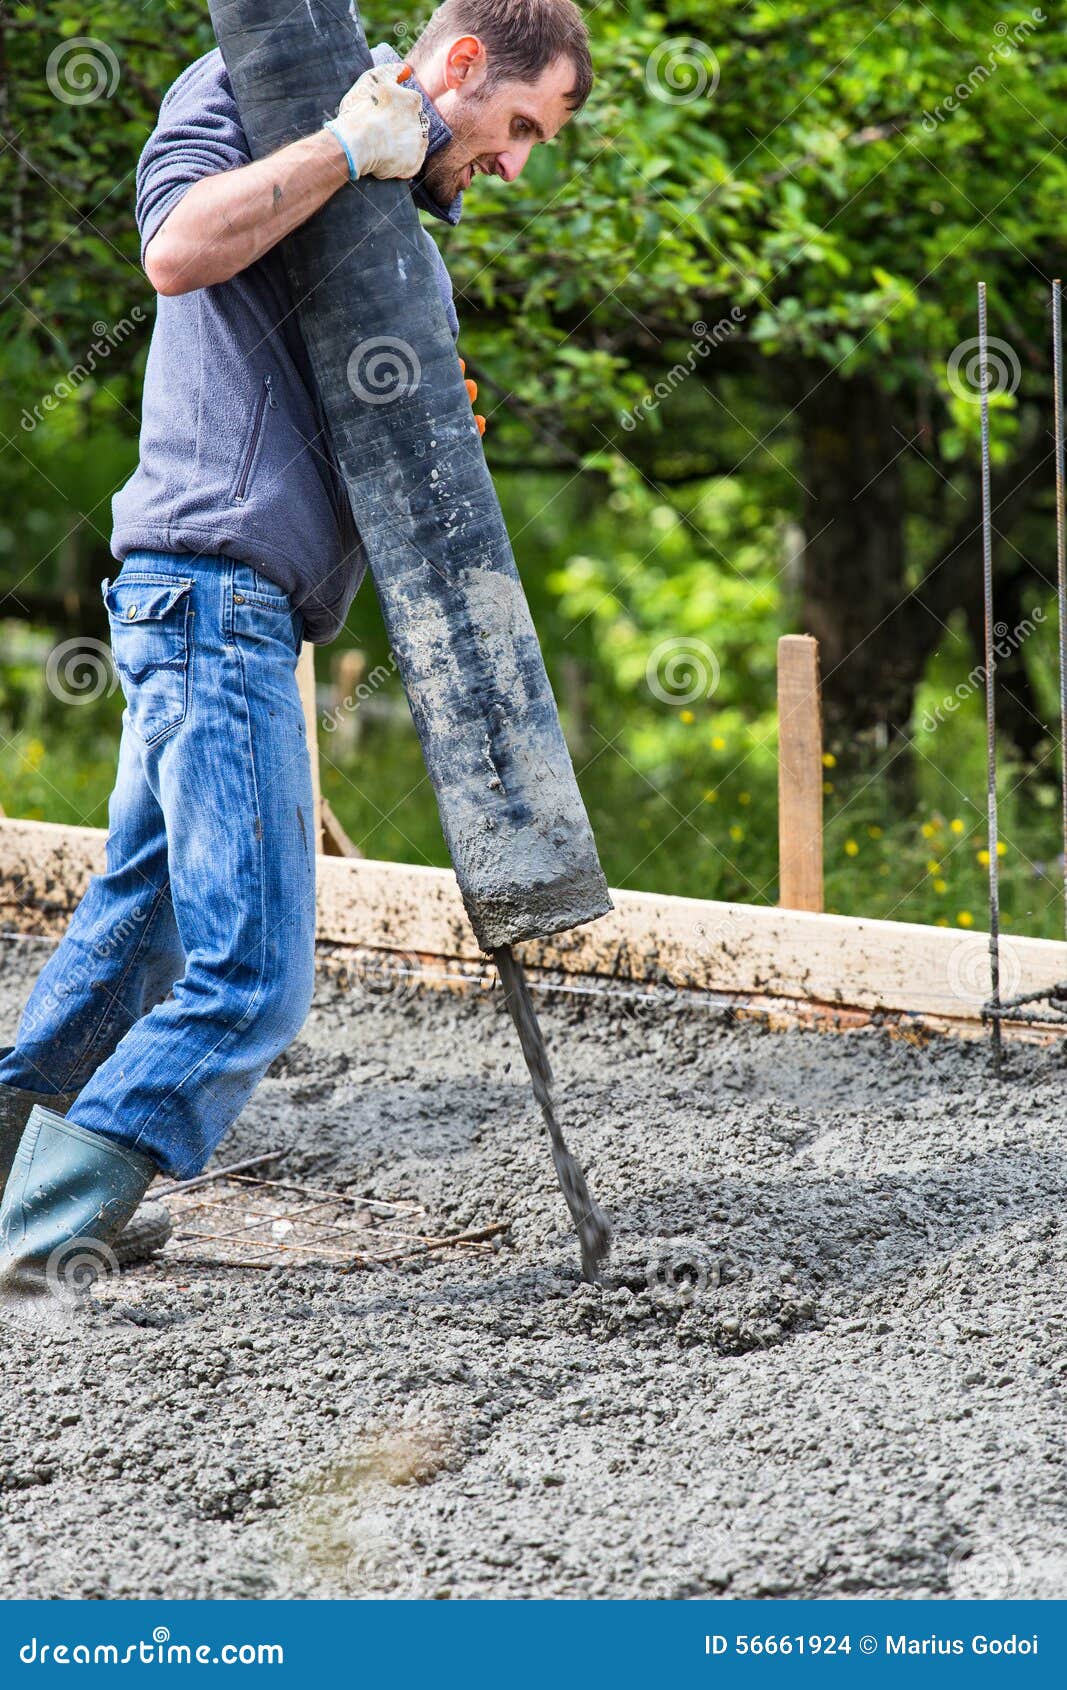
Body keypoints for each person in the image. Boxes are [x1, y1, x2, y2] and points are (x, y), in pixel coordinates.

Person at [0, 0, 593, 1318]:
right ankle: (42, 1230)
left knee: (145, 924)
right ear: (455, 68)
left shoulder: (399, 241)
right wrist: (342, 142)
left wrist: (431, 414)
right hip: (214, 590)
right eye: (517, 126)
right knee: (255, 976)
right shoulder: (248, 93)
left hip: (237, 609)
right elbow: (177, 249)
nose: (516, 163)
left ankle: (20, 1178)